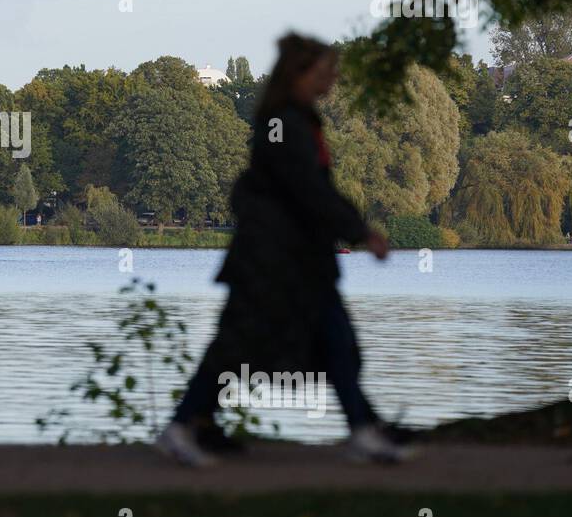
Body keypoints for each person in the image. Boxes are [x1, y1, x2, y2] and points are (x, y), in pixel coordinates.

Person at [156, 34, 407, 467]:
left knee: (331, 342)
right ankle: (184, 426)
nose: (332, 80)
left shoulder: (297, 121)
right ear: (299, 74)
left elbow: (311, 188)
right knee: (243, 345)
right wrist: (361, 232)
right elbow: (308, 190)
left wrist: (353, 228)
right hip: (274, 260)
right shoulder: (285, 124)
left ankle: (363, 428)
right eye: (324, 72)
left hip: (293, 258)